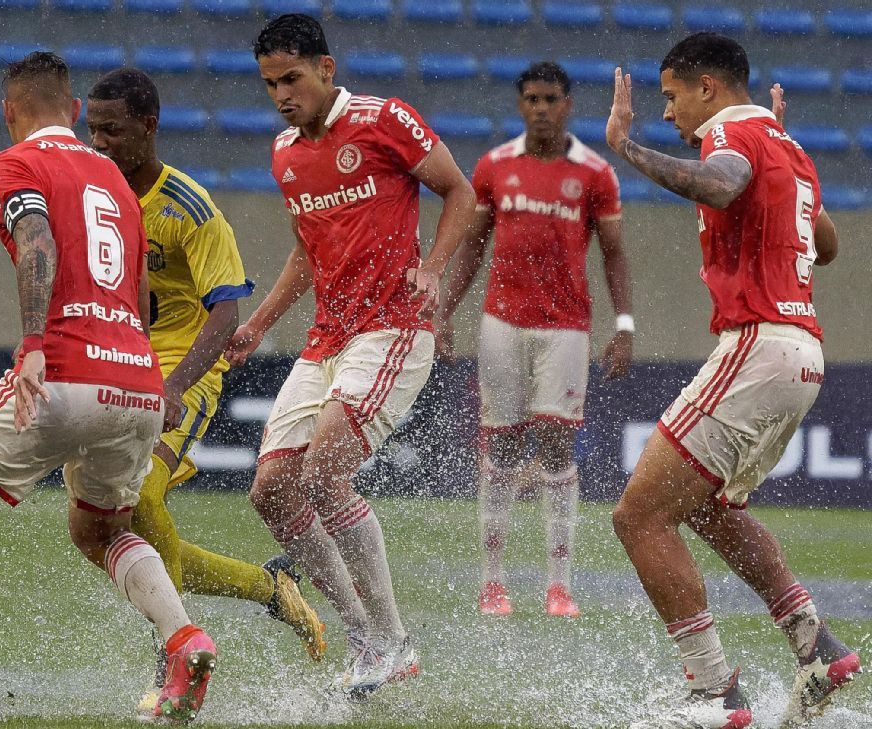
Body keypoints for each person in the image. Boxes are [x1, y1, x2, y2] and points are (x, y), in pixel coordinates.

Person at [0, 51, 216, 723]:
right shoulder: (120, 183)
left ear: (9, 112)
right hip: (136, 385)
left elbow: (36, 238)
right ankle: (185, 639)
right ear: (73, 111)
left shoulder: (11, 166)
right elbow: (144, 297)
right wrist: (141, 378)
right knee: (99, 529)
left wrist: (36, 342)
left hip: (65, 370)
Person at [605, 32, 858, 729]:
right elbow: (827, 245)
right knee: (711, 506)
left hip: (757, 344)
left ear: (707, 87)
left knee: (639, 514)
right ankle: (815, 646)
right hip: (803, 352)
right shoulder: (786, 145)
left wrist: (627, 149)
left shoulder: (734, 140)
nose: (666, 114)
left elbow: (722, 182)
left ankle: (713, 690)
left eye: (671, 96)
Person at [225, 13, 477, 699]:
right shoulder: (284, 152)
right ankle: (364, 633)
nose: (282, 94)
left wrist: (433, 266)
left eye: (292, 78)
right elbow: (308, 249)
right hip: (326, 341)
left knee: (325, 469)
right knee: (271, 488)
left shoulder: (384, 119)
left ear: (325, 69)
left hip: (392, 327)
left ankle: (392, 642)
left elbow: (461, 190)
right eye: (270, 83)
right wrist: (260, 323)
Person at [84, 66, 327, 714]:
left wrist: (174, 384)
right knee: (115, 524)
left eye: (113, 129)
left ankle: (176, 656)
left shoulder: (188, 206)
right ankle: (269, 587)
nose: (100, 142)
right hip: (118, 367)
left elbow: (224, 312)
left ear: (149, 126)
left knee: (137, 504)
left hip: (181, 373)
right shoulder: (94, 196)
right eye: (92, 130)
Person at [435, 61, 633, 619]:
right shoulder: (495, 166)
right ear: (521, 104)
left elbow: (614, 253)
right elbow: (473, 245)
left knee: (556, 443)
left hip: (566, 327)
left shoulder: (594, 174)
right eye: (532, 98)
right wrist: (444, 311)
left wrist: (624, 327)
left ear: (567, 104)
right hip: (502, 324)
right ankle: (492, 583)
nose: (541, 107)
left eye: (550, 98)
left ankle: (558, 585)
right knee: (500, 446)